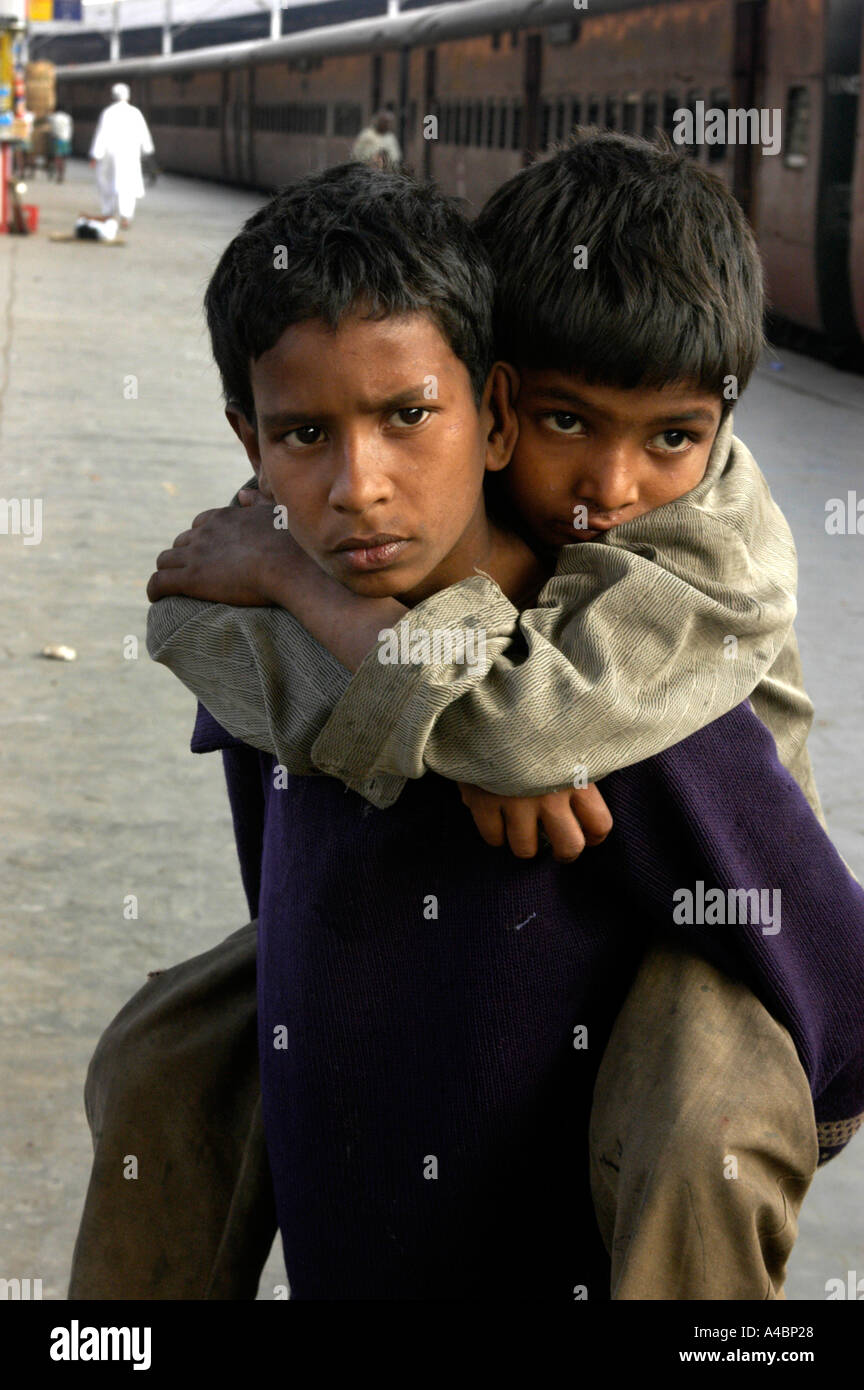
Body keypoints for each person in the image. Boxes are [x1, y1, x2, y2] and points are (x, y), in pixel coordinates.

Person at [68, 156, 864, 1299]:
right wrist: (426, 693)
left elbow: (535, 722)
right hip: (391, 999)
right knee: (160, 1058)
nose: (611, 486)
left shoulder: (689, 583)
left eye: (672, 438)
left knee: (705, 1131)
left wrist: (444, 699)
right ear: (503, 407)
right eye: (565, 419)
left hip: (739, 963)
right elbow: (198, 618)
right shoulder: (318, 542)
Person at [88, 83, 154, 230]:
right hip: (130, 156)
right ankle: (125, 217)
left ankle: (108, 213)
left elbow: (101, 134)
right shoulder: (135, 113)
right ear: (128, 96)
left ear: (113, 95)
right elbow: (143, 134)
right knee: (128, 186)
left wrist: (95, 155)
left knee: (107, 184)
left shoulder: (108, 113)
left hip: (109, 156)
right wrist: (146, 150)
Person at [48, 107, 73, 183]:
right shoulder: (68, 117)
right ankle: (62, 174)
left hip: (58, 139)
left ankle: (58, 174)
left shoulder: (54, 117)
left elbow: (49, 122)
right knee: (63, 158)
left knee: (57, 157)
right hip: (66, 139)